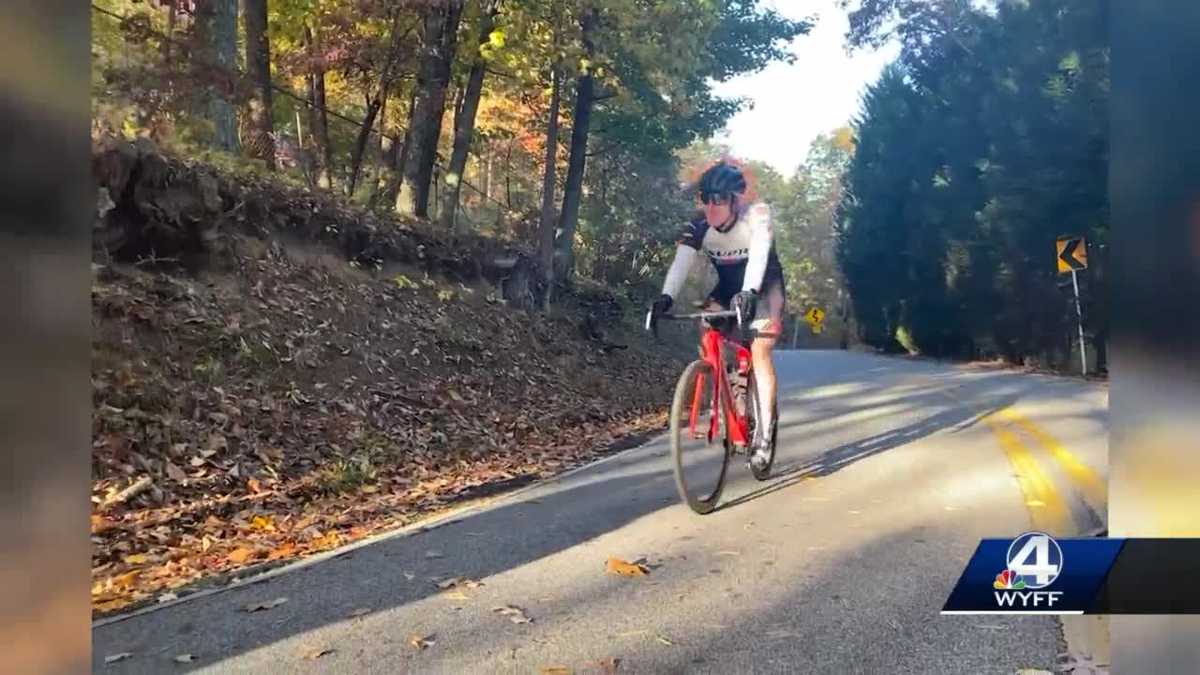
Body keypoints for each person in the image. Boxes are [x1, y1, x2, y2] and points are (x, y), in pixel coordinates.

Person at [648, 159, 786, 470]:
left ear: (735, 201)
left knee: (760, 350)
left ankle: (764, 434)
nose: (711, 207)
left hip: (765, 285)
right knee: (707, 328)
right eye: (705, 198)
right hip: (726, 287)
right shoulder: (698, 226)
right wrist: (665, 298)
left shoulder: (756, 216)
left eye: (719, 199)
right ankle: (725, 383)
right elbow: (681, 264)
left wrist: (750, 292)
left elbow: (760, 255)